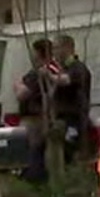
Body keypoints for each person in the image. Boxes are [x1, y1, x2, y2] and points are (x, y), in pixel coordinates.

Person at [12, 39, 63, 182]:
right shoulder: (51, 69)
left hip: (35, 118)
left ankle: (35, 179)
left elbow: (22, 94)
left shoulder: (42, 73)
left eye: (34, 53)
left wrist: (17, 85)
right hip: (38, 116)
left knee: (33, 150)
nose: (32, 56)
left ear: (39, 54)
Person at [51, 34, 93, 161]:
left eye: (56, 48)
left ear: (67, 48)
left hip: (75, 120)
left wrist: (48, 75)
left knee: (73, 154)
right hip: (63, 120)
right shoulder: (62, 69)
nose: (54, 52)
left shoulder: (77, 68)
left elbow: (66, 81)